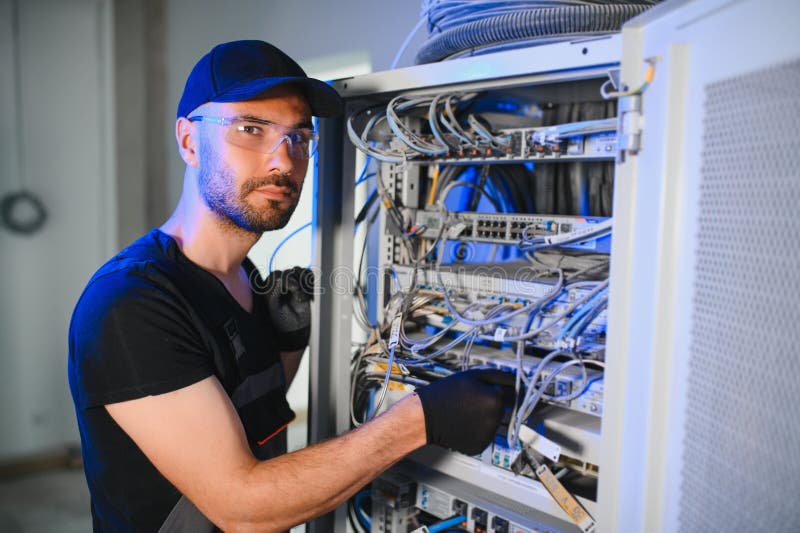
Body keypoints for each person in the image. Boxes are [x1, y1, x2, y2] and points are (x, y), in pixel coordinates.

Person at [68, 40, 510, 532]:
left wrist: (286, 345)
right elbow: (242, 507)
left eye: (299, 137)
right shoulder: (131, 304)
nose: (284, 161)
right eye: (251, 129)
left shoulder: (245, 280)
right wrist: (418, 421)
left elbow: (250, 423)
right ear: (190, 142)